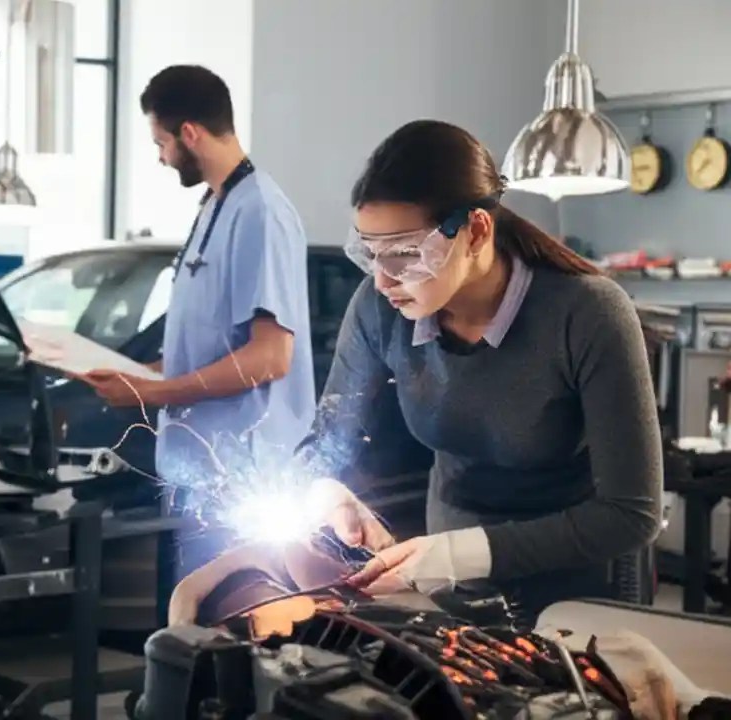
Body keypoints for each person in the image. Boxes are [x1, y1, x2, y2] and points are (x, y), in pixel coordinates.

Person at [168, 119, 664, 628]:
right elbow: (326, 440)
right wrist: (325, 490)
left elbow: (633, 513)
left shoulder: (588, 313)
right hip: (444, 586)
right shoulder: (380, 308)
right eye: (371, 252)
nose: (383, 280)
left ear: (475, 231)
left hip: (575, 597)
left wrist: (454, 554)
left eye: (405, 254)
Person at [78, 65, 316, 577]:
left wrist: (151, 395)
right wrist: (138, 376)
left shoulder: (262, 212)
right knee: (182, 638)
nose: (161, 157)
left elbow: (270, 357)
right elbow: (205, 349)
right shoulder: (215, 204)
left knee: (228, 642)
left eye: (161, 142)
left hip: (242, 485)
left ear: (190, 133)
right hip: (196, 477)